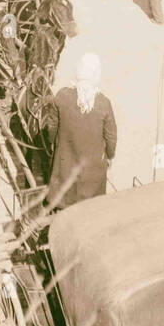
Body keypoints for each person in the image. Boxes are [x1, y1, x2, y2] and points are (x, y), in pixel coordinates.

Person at [48, 53, 117, 209]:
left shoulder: (62, 96)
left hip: (65, 172)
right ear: (96, 75)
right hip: (92, 179)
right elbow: (111, 138)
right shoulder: (103, 103)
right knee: (92, 208)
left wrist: (54, 144)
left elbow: (51, 129)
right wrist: (110, 156)